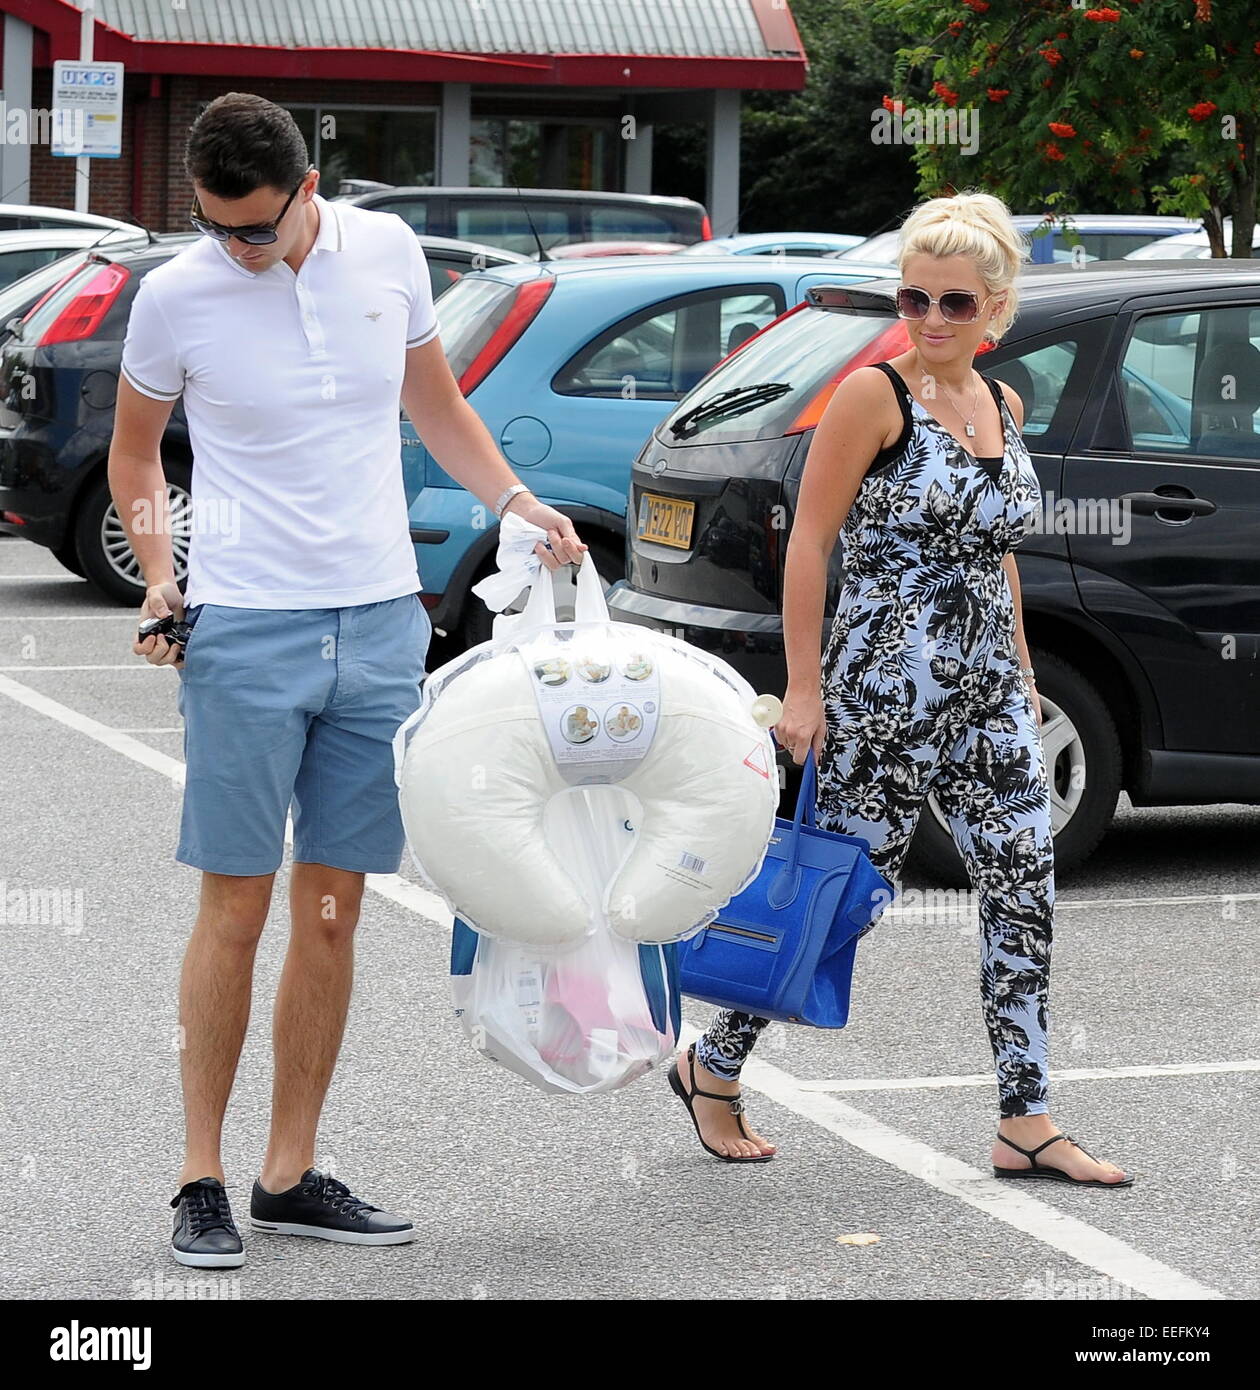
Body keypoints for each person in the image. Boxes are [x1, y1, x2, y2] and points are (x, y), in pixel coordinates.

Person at [109, 93, 587, 1268]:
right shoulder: (175, 295)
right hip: (247, 631)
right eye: (218, 228)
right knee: (236, 906)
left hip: (380, 623)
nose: (238, 250)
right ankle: (199, 1180)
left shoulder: (389, 253)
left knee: (334, 912)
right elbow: (133, 455)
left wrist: (517, 505)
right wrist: (162, 579)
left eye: (257, 229)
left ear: (310, 189)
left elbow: (436, 403)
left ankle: (288, 1171)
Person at [671, 191, 1132, 1187]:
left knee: (1025, 886)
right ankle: (712, 1062)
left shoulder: (1002, 406)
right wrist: (804, 691)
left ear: (996, 309)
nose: (930, 319)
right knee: (842, 897)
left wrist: (1019, 668)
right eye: (914, 298)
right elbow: (808, 543)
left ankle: (1026, 1114)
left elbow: (997, 550)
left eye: (955, 303)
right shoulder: (873, 398)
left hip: (993, 697)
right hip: (883, 696)